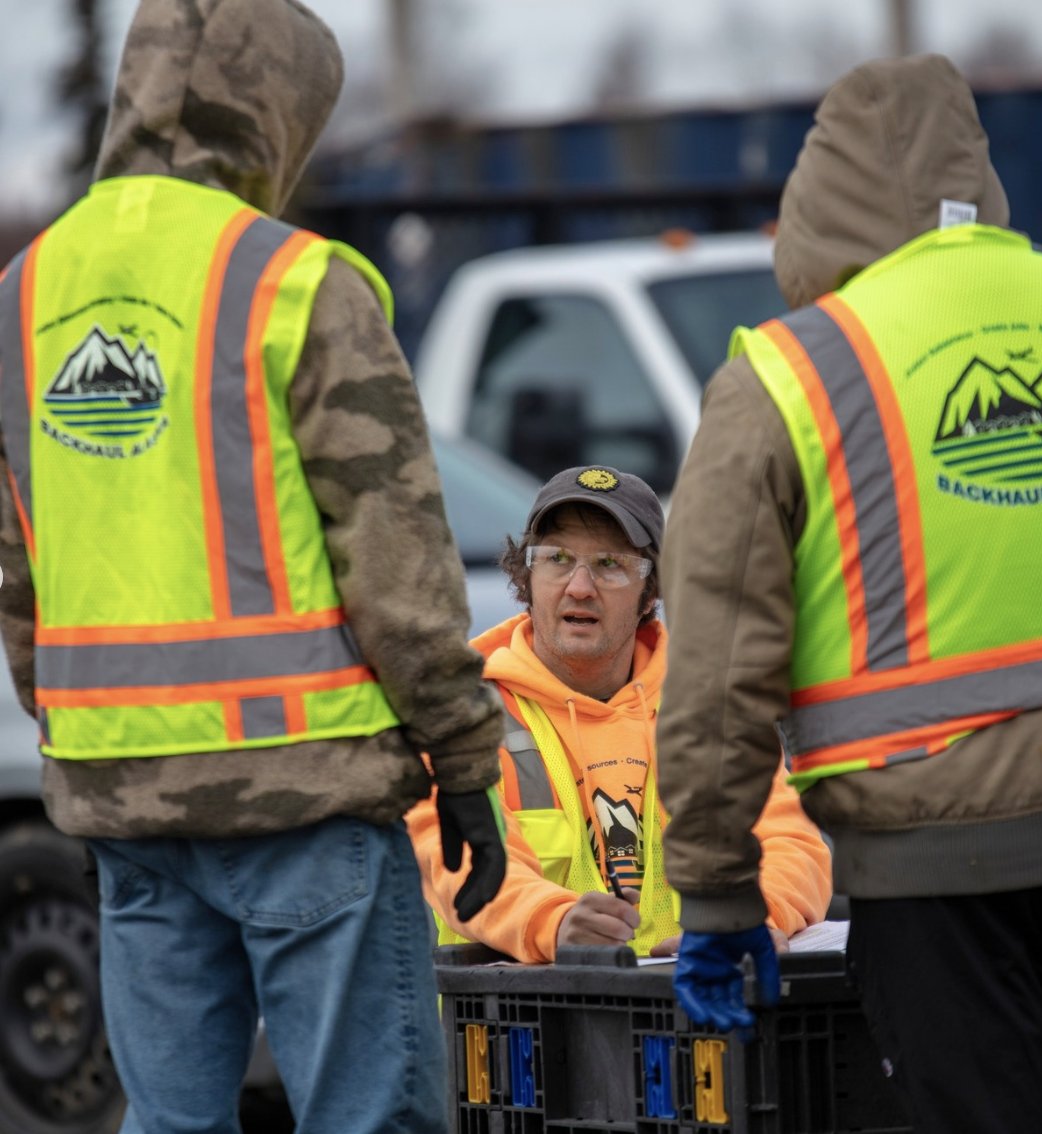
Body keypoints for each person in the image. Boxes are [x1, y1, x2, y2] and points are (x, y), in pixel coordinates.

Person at [0, 2, 507, 1131]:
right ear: (275, 112)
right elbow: (395, 556)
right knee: (368, 1115)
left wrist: (87, 761)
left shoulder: (23, 294)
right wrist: (462, 758)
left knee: (172, 1122)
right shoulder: (294, 283)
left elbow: (19, 569)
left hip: (124, 800)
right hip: (303, 792)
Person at [656, 52, 1042, 1133]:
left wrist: (713, 892)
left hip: (933, 878)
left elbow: (712, 670)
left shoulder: (785, 377)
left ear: (816, 206)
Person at [408, 464, 831, 962]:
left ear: (650, 591)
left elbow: (790, 845)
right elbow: (457, 865)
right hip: (518, 1026)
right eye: (558, 558)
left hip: (691, 1018)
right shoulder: (459, 718)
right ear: (527, 574)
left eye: (610, 564)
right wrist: (556, 921)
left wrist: (756, 919)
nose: (580, 586)